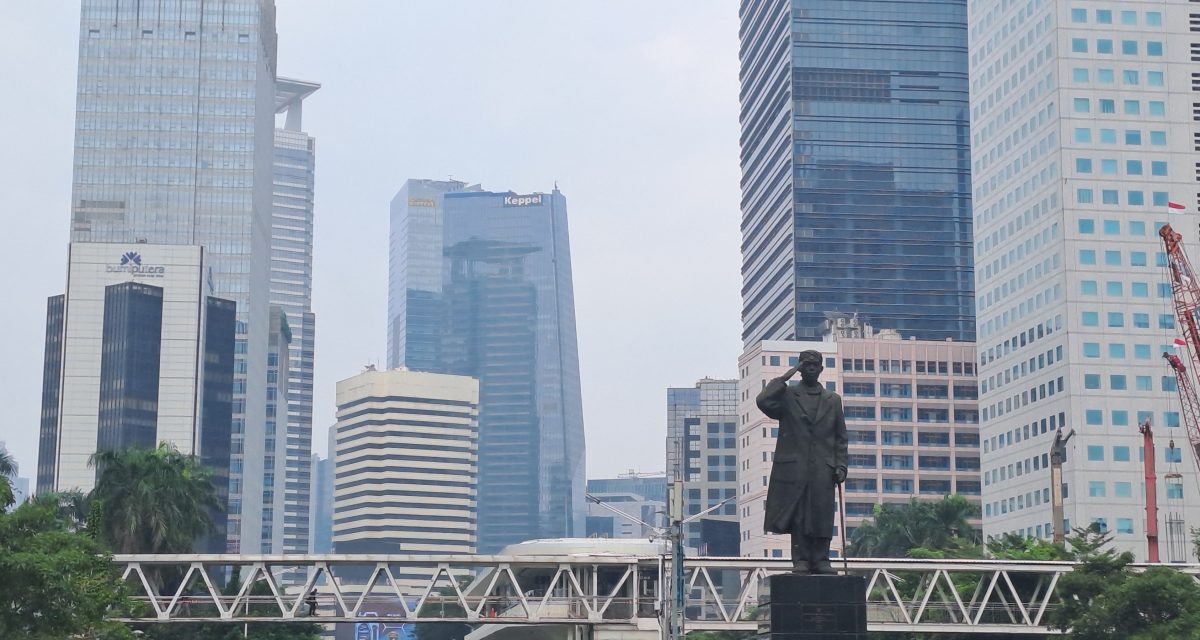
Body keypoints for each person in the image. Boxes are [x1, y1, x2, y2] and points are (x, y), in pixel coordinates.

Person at [756, 350, 848, 574]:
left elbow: (840, 437)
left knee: (822, 513)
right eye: (805, 364)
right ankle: (801, 560)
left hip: (823, 468)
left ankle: (821, 559)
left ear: (821, 369)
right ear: (800, 367)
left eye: (814, 365)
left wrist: (841, 465)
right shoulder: (788, 396)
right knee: (799, 515)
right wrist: (787, 376)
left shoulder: (833, 400)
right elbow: (763, 401)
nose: (810, 368)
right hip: (794, 468)